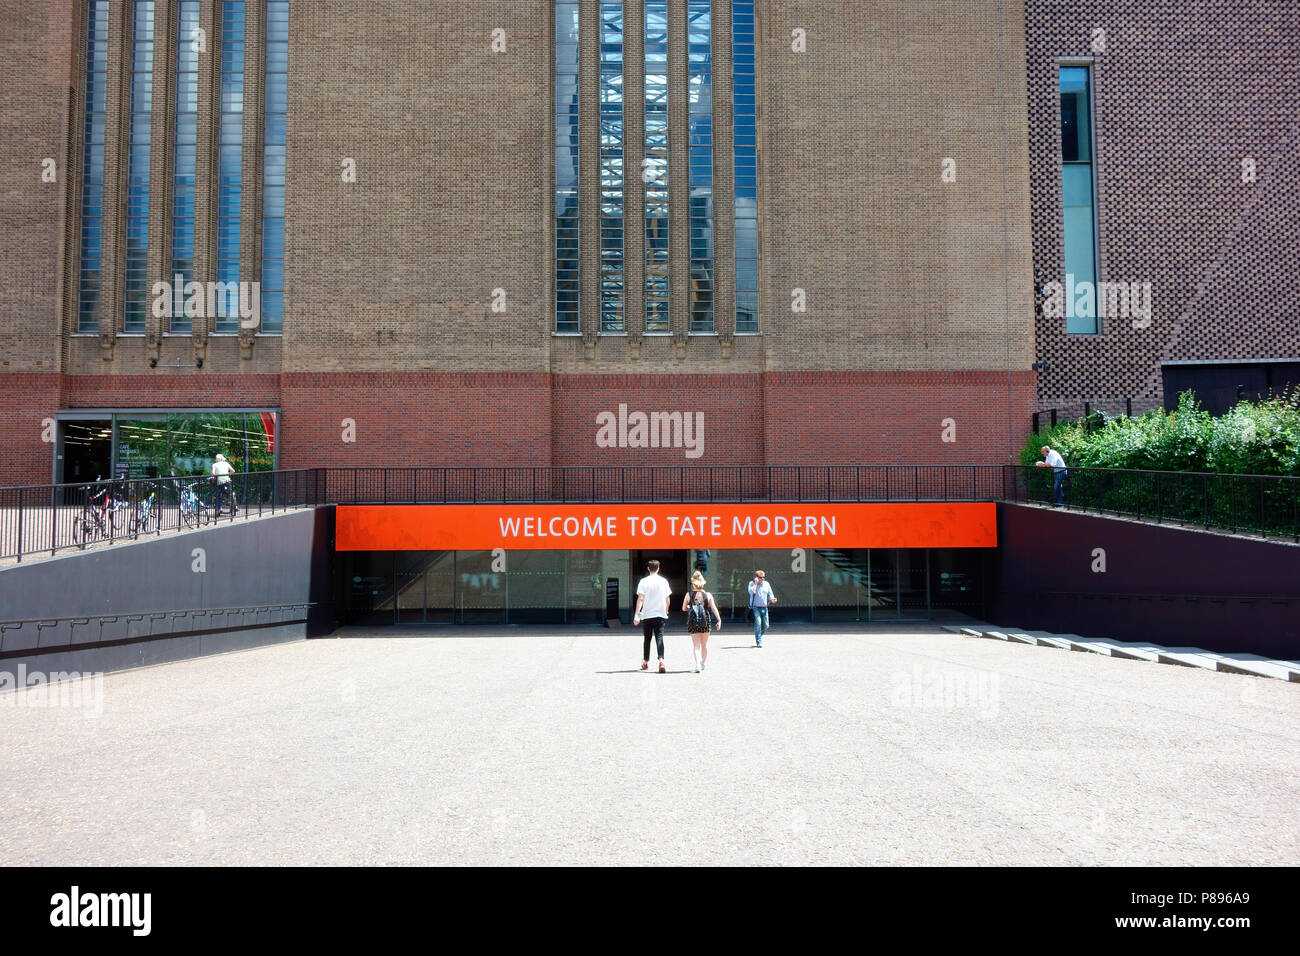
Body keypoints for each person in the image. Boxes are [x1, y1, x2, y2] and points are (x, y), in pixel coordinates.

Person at [633, 559, 672, 673]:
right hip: (660, 614)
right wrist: (666, 611)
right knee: (659, 637)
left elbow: (640, 598)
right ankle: (661, 660)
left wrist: (636, 614)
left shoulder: (643, 582)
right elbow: (667, 599)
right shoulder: (663, 581)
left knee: (647, 638)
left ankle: (645, 662)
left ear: (648, 568)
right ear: (658, 568)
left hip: (647, 614)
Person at [682, 570, 722, 673]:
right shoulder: (707, 594)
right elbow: (713, 608)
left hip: (693, 621)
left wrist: (689, 606)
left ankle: (697, 665)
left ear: (693, 582)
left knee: (696, 646)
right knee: (704, 645)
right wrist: (719, 619)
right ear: (702, 582)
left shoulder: (689, 594)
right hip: (705, 620)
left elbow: (684, 608)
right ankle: (703, 663)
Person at [747, 569, 777, 647]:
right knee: (758, 623)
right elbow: (751, 592)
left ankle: (758, 635)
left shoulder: (766, 584)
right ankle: (758, 641)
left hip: (764, 607)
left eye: (764, 577)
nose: (763, 579)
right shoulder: (751, 583)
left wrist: (772, 599)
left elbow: (770, 595)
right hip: (755, 607)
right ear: (756, 577)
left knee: (766, 625)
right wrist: (756, 583)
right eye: (761, 577)